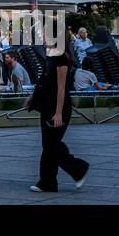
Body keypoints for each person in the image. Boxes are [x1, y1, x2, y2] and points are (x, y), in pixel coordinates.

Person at [28, 37, 90, 193]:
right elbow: (44, 80)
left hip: (59, 107)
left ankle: (79, 168)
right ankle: (47, 182)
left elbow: (62, 88)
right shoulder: (51, 55)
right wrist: (32, 98)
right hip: (47, 105)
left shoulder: (62, 58)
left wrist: (58, 113)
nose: (43, 38)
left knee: (52, 144)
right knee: (47, 145)